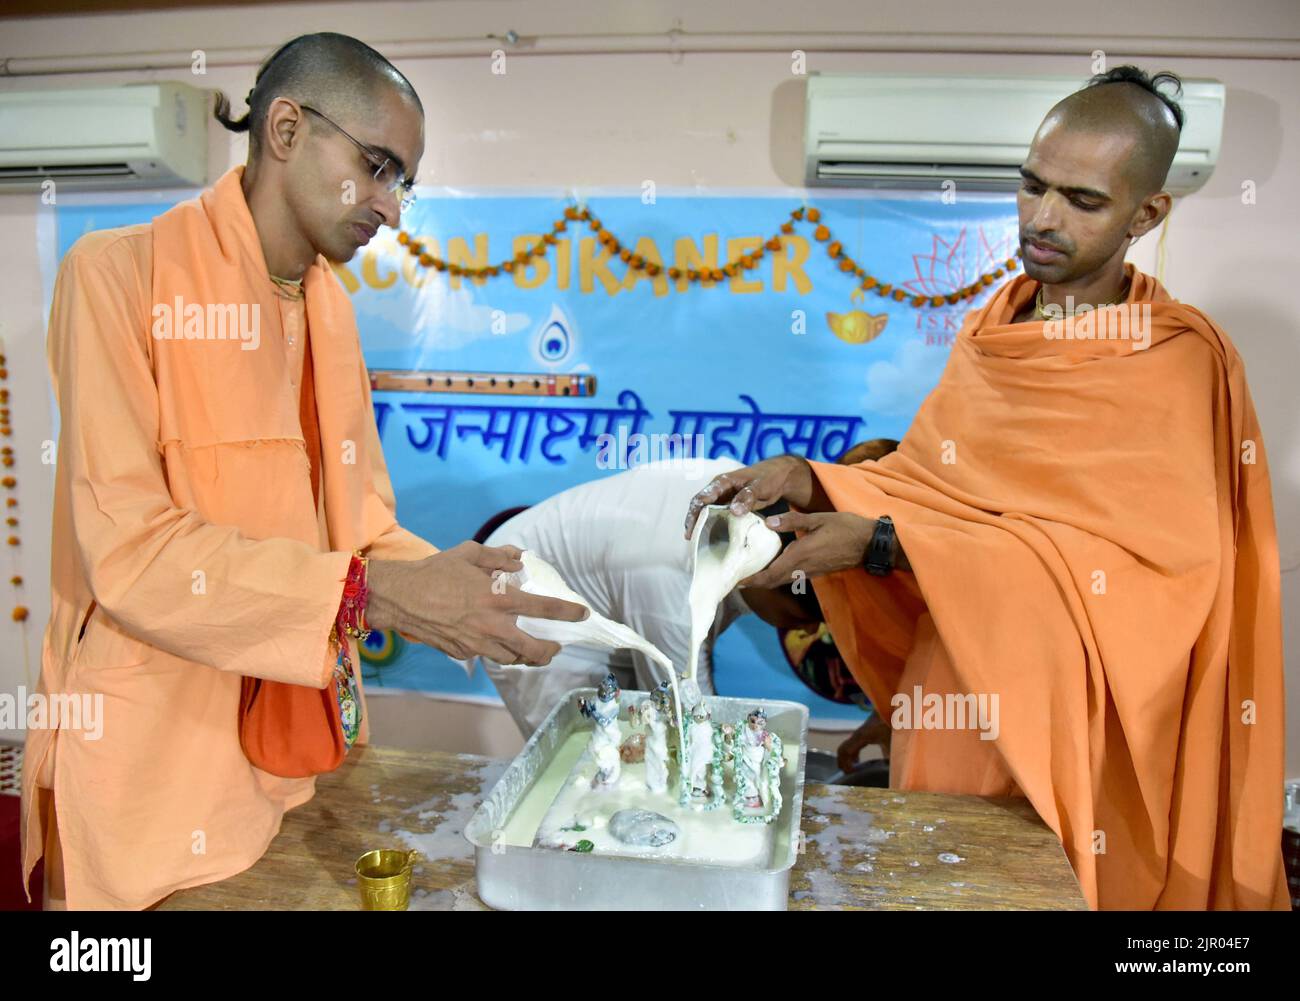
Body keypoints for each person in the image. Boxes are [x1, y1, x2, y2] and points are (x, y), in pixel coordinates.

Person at [685, 67, 1288, 910]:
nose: (1042, 218)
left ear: (1146, 215)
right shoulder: (994, 326)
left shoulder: (1179, 362)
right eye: (1032, 184)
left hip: (1077, 716)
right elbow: (929, 485)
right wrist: (815, 482)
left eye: (1082, 200)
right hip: (955, 680)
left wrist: (891, 546)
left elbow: (1157, 583)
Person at [21, 32, 586, 910]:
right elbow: (131, 553)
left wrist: (472, 585)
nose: (393, 208)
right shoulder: (116, 278)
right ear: (286, 127)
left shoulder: (327, 308)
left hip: (289, 764)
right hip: (153, 785)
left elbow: (357, 527)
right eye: (379, 166)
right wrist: (378, 596)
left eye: (405, 180)